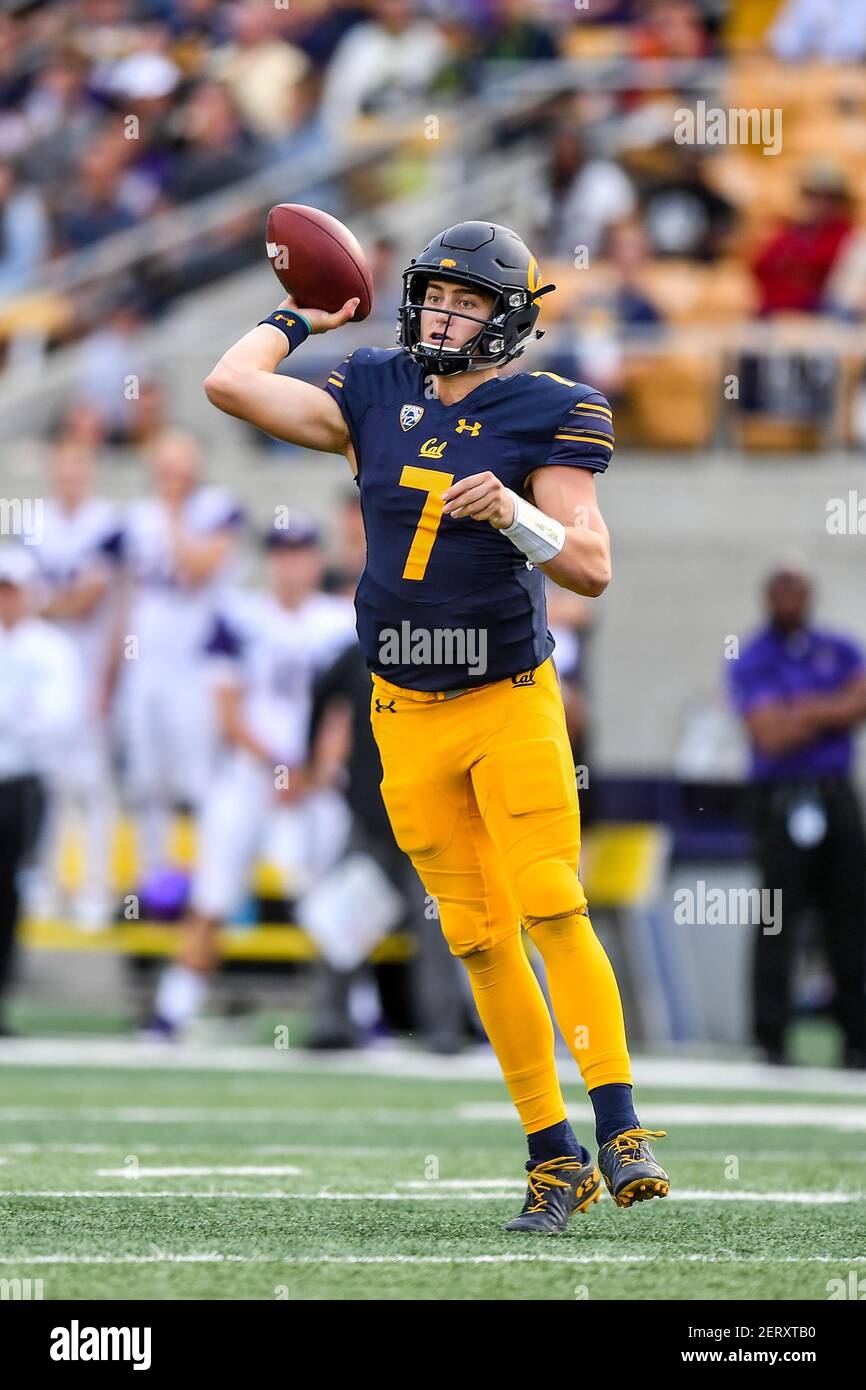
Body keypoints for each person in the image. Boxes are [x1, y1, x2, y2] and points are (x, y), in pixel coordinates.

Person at [203, 219, 670, 1234]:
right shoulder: (371, 386)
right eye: (433, 294)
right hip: (399, 708)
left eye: (465, 301)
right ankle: (553, 1155)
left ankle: (620, 1120)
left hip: (504, 695)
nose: (440, 313)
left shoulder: (552, 408)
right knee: (474, 933)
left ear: (506, 321)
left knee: (549, 901)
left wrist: (511, 511)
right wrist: (299, 314)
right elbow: (229, 385)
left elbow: (589, 566)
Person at [147, 518, 355, 1038]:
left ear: (315, 560)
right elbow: (227, 709)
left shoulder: (341, 621)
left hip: (317, 779)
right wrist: (280, 766)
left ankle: (357, 1012)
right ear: (271, 562)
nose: (291, 564)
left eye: (300, 553)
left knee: (336, 895)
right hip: (249, 773)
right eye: (281, 554)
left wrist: (313, 769)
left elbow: (351, 710)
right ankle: (174, 1008)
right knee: (213, 893)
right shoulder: (241, 617)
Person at [728, 564, 866, 1068]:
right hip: (779, 796)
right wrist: (829, 710)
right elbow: (769, 734)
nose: (790, 599)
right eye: (781, 590)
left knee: (849, 916)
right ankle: (771, 1036)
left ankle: (856, 1036)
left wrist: (802, 710)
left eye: (798, 589)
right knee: (776, 916)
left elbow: (860, 699)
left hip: (835, 794)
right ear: (768, 597)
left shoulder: (838, 647)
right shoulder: (752, 655)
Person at [118, 429, 244, 883]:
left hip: (198, 667)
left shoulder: (216, 508)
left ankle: (210, 882)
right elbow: (128, 600)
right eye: (164, 467)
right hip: (146, 664)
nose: (170, 476)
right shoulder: (138, 516)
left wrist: (173, 516)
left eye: (178, 466)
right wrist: (112, 672)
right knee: (147, 780)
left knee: (200, 779)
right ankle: (155, 880)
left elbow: (194, 571)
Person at [29, 439, 124, 929]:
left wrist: (43, 601)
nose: (69, 478)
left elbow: (89, 600)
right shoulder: (36, 521)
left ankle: (94, 885)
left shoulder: (103, 522)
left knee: (93, 787)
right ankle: (45, 881)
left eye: (76, 469)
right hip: (42, 672)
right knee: (49, 783)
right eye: (61, 469)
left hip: (87, 667)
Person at [0, 548, 83, 1035]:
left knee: (9, 891)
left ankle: (3, 994)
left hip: (22, 783)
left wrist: (15, 715)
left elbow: (57, 722)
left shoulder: (51, 648)